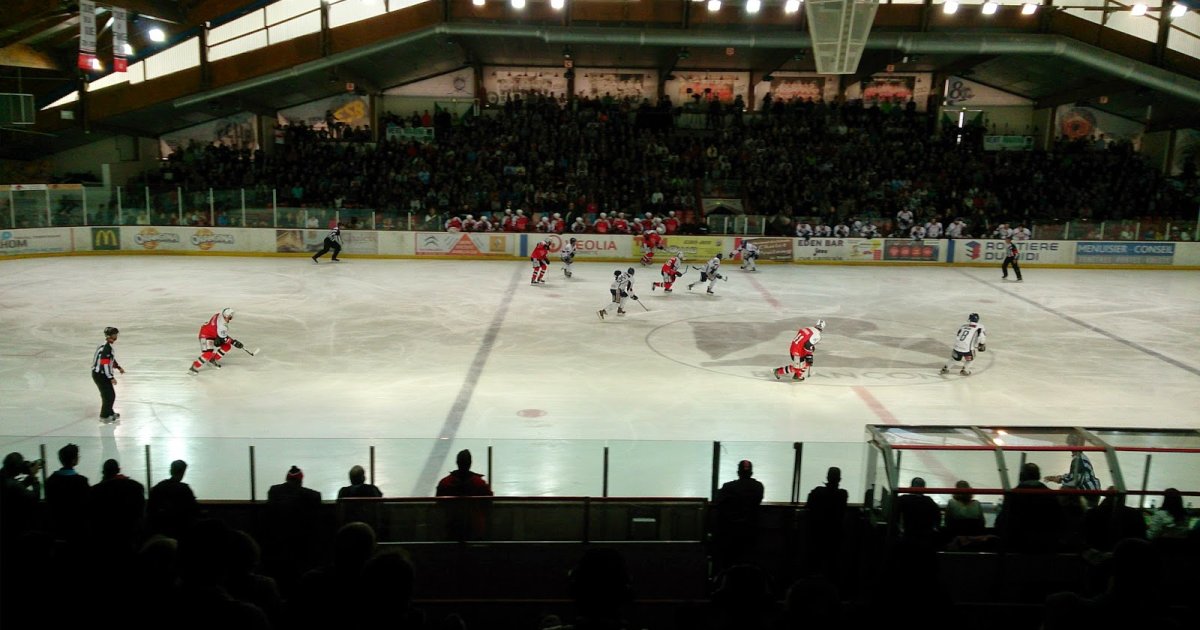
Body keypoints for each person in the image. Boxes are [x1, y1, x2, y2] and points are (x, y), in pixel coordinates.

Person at [996, 462, 1061, 553]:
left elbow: (1001, 522)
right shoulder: (1051, 495)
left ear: (1021, 475)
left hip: (1017, 543)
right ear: (1038, 475)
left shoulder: (1013, 495)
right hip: (1046, 543)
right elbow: (1060, 520)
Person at [713, 460, 764, 570]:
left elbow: (718, 502)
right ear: (751, 473)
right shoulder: (758, 487)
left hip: (730, 531)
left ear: (738, 472)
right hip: (751, 529)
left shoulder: (728, 487)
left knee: (729, 560)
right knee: (748, 559)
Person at [436, 449, 493, 541]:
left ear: (457, 462)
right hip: (475, 530)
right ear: (470, 463)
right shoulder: (479, 483)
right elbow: (489, 502)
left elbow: (439, 503)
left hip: (451, 528)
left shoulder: (445, 483)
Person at [805, 466, 848, 578]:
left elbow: (808, 506)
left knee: (815, 563)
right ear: (839, 479)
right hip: (834, 534)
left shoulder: (817, 492)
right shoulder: (842, 495)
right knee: (832, 563)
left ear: (827, 477)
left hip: (817, 533)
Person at [45, 443, 90, 544]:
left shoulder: (51, 480)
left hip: (56, 527)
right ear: (74, 460)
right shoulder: (81, 481)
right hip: (77, 529)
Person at [1044, 431, 1101, 507]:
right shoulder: (1080, 457)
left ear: (1072, 444)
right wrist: (1060, 478)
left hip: (1089, 495)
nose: (1068, 446)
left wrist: (1059, 479)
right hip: (1091, 491)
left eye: (1069, 444)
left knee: (1065, 490)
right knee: (1065, 489)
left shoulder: (1078, 459)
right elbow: (1073, 475)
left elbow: (1074, 481)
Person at [147, 459, 199, 539]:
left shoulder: (158, 487)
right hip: (181, 530)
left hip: (160, 530)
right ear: (183, 472)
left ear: (171, 471)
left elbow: (150, 509)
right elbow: (193, 510)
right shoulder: (184, 489)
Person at [190, 308, 244, 374]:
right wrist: (234, 342)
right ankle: (194, 367)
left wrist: (232, 341)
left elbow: (222, 335)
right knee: (208, 353)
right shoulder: (222, 326)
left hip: (213, 334)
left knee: (227, 346)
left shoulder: (220, 315)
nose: (231, 318)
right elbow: (223, 338)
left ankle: (212, 360)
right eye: (230, 316)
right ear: (227, 316)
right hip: (205, 335)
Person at [92, 326, 125, 422]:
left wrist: (118, 367)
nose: (116, 337)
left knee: (110, 395)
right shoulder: (106, 348)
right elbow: (105, 364)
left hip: (101, 374)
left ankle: (109, 412)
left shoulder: (105, 345)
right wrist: (111, 377)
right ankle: (104, 416)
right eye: (114, 335)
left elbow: (110, 359)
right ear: (110, 336)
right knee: (108, 396)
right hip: (100, 375)